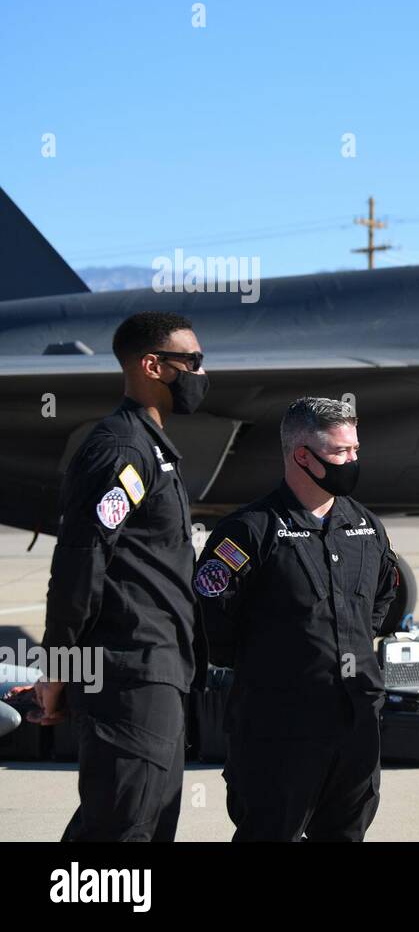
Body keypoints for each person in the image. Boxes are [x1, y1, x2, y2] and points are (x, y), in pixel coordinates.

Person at [35, 311, 209, 841]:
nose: (202, 374)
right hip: (128, 673)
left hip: (159, 672)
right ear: (152, 365)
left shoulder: (154, 451)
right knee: (119, 829)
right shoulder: (121, 449)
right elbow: (79, 561)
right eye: (193, 362)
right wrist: (57, 667)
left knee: (145, 822)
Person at [195, 397, 398, 841]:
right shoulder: (249, 531)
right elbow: (212, 621)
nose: (353, 461)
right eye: (341, 452)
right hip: (278, 730)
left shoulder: (365, 527)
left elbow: (381, 602)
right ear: (303, 456)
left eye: (355, 450)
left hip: (356, 723)